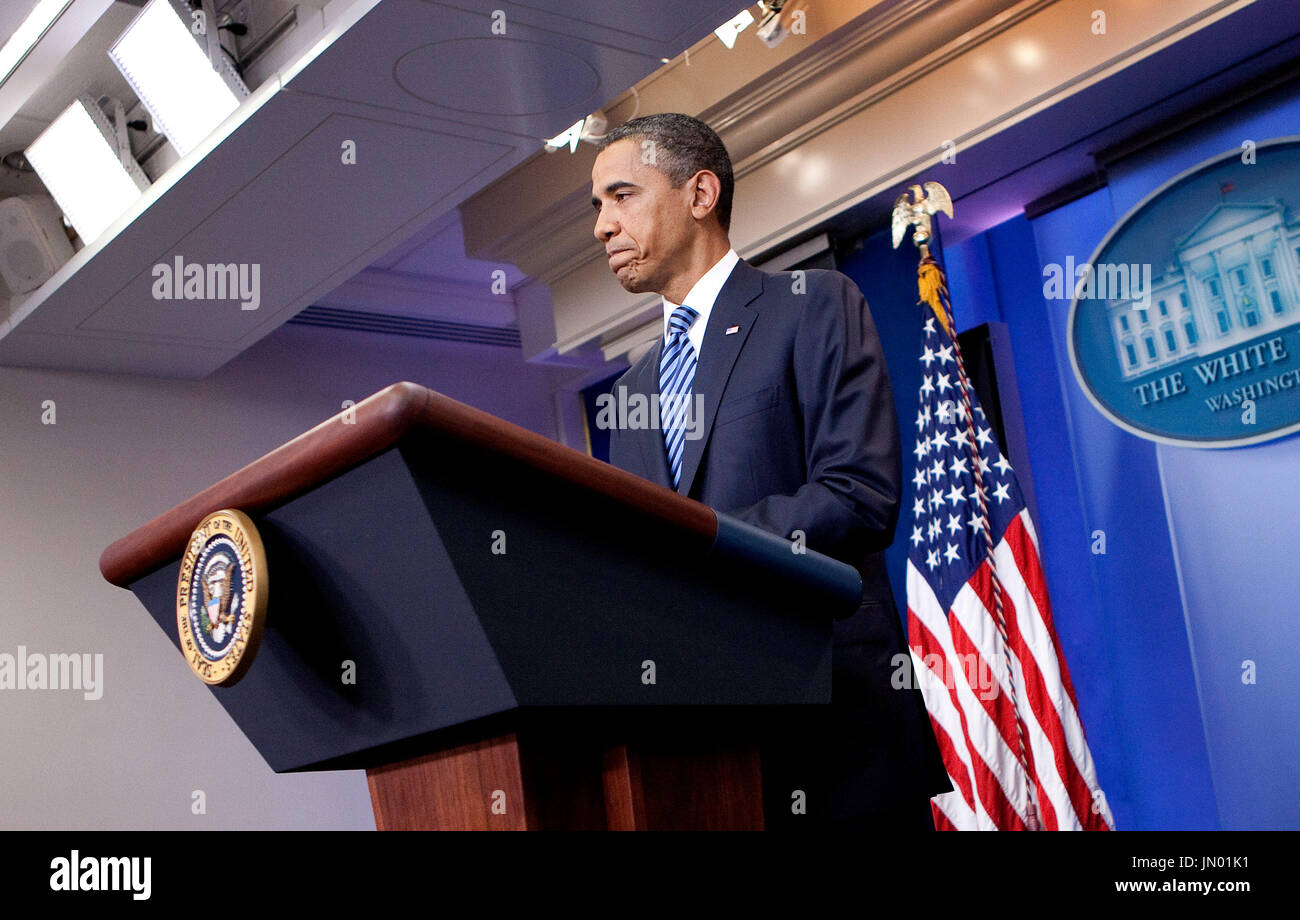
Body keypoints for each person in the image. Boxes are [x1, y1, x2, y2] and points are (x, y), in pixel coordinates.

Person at [591, 113, 949, 828]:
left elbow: (859, 494)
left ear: (699, 194)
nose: (602, 225)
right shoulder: (629, 393)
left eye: (621, 196)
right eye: (597, 205)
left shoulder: (811, 304)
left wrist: (687, 542)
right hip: (700, 759)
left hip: (834, 729)